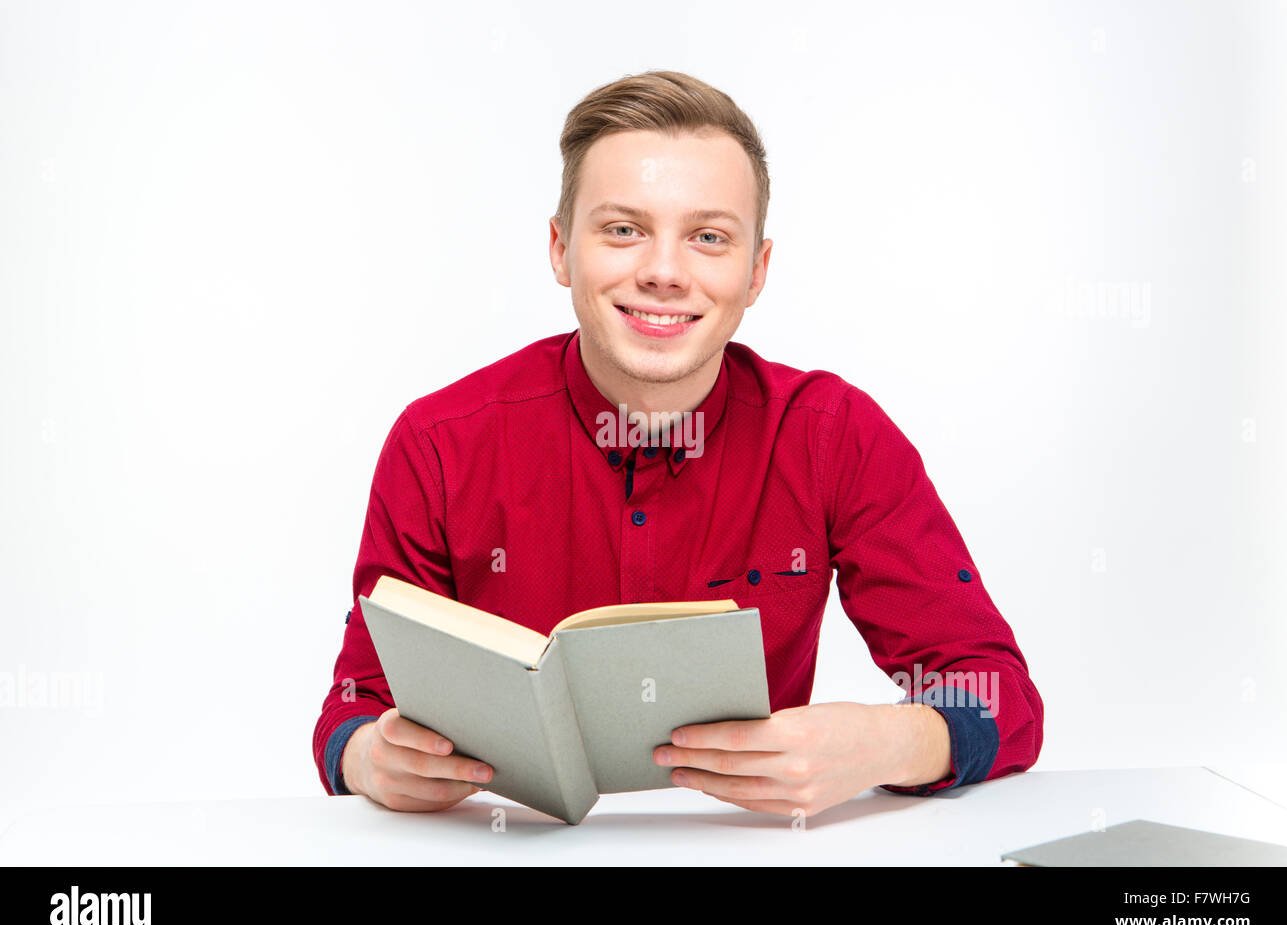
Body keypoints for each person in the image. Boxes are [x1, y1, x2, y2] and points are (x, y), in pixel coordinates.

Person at [312, 70, 1043, 818]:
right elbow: (351, 709)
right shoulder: (437, 445)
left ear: (755, 271)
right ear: (562, 250)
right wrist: (371, 756)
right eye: (623, 229)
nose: (664, 272)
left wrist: (884, 742)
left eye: (708, 237)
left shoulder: (835, 436)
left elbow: (1000, 695)